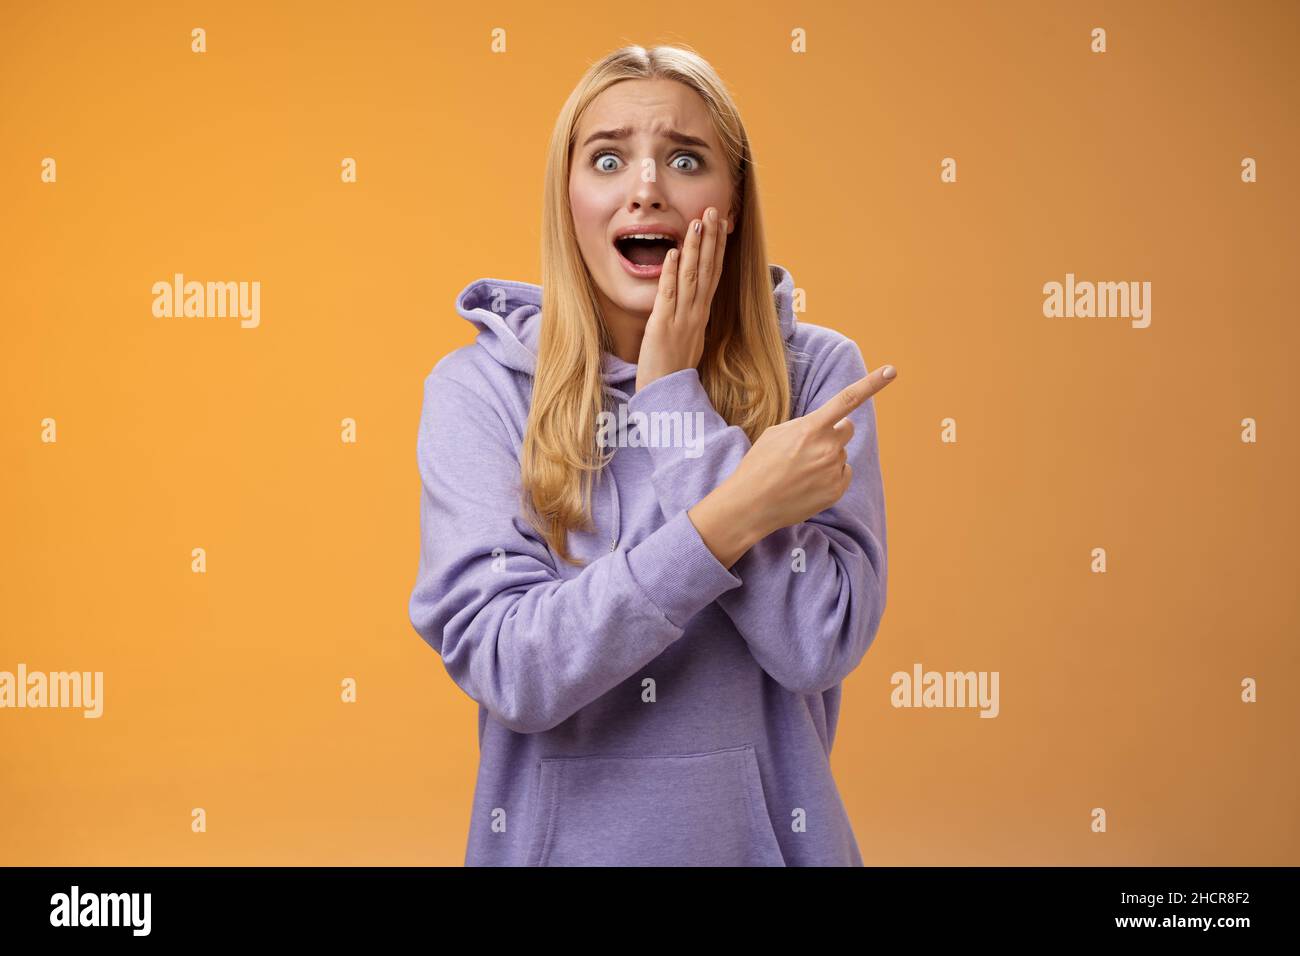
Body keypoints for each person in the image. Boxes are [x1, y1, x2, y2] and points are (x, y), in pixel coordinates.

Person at [408, 43, 896, 866]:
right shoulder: (482, 391)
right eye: (607, 158)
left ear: (733, 199)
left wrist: (676, 404)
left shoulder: (815, 373)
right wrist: (729, 516)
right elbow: (514, 669)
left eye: (684, 158)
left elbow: (816, 643)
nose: (646, 186)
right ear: (568, 199)